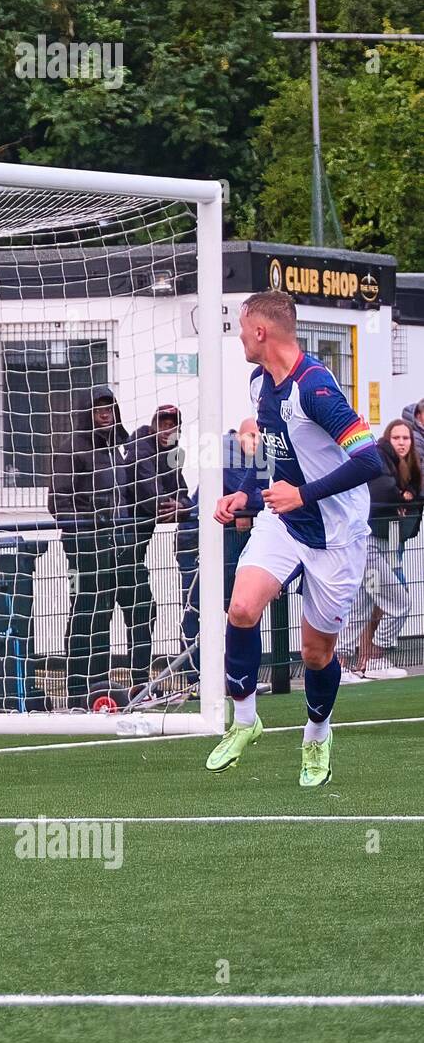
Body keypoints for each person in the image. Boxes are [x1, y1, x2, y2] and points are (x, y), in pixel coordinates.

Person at [206, 290, 381, 787]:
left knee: (315, 655)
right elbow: (271, 454)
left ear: (261, 332)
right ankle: (245, 722)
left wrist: (302, 495)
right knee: (240, 609)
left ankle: (317, 735)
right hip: (284, 523)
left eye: (242, 327)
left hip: (337, 537)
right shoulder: (262, 380)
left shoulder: (317, 390)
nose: (239, 336)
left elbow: (370, 461)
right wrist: (243, 494)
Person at [48, 385, 127, 706]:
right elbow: (58, 503)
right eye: (98, 410)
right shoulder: (71, 449)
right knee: (84, 611)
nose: (105, 415)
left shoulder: (116, 450)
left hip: (116, 545)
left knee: (104, 612)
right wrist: (90, 526)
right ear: (87, 413)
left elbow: (126, 495)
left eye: (109, 409)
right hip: (83, 545)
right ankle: (78, 687)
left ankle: (98, 683)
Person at [177, 419, 267, 683]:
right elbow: (257, 493)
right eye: (251, 435)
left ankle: (233, 676)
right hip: (195, 542)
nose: (256, 441)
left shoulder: (258, 459)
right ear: (238, 435)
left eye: (260, 437)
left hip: (226, 543)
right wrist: (250, 505)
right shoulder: (225, 455)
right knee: (197, 607)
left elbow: (262, 494)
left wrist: (249, 508)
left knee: (237, 607)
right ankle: (195, 679)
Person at [339, 418, 422, 680]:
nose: (401, 443)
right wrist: (401, 497)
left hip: (385, 543)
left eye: (406, 438)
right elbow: (382, 491)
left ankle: (340, 665)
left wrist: (406, 495)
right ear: (387, 438)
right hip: (369, 543)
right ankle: (374, 658)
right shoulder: (379, 456)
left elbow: (415, 493)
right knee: (400, 602)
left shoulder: (409, 467)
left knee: (363, 605)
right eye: (396, 437)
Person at [119, 403, 190, 692]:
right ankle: (85, 688)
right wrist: (176, 507)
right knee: (99, 615)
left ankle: (138, 685)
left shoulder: (173, 454)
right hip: (115, 544)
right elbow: (155, 499)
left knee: (142, 612)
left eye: (172, 425)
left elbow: (182, 495)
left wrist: (181, 507)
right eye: (163, 423)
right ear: (152, 425)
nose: (167, 430)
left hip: (135, 548)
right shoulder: (139, 447)